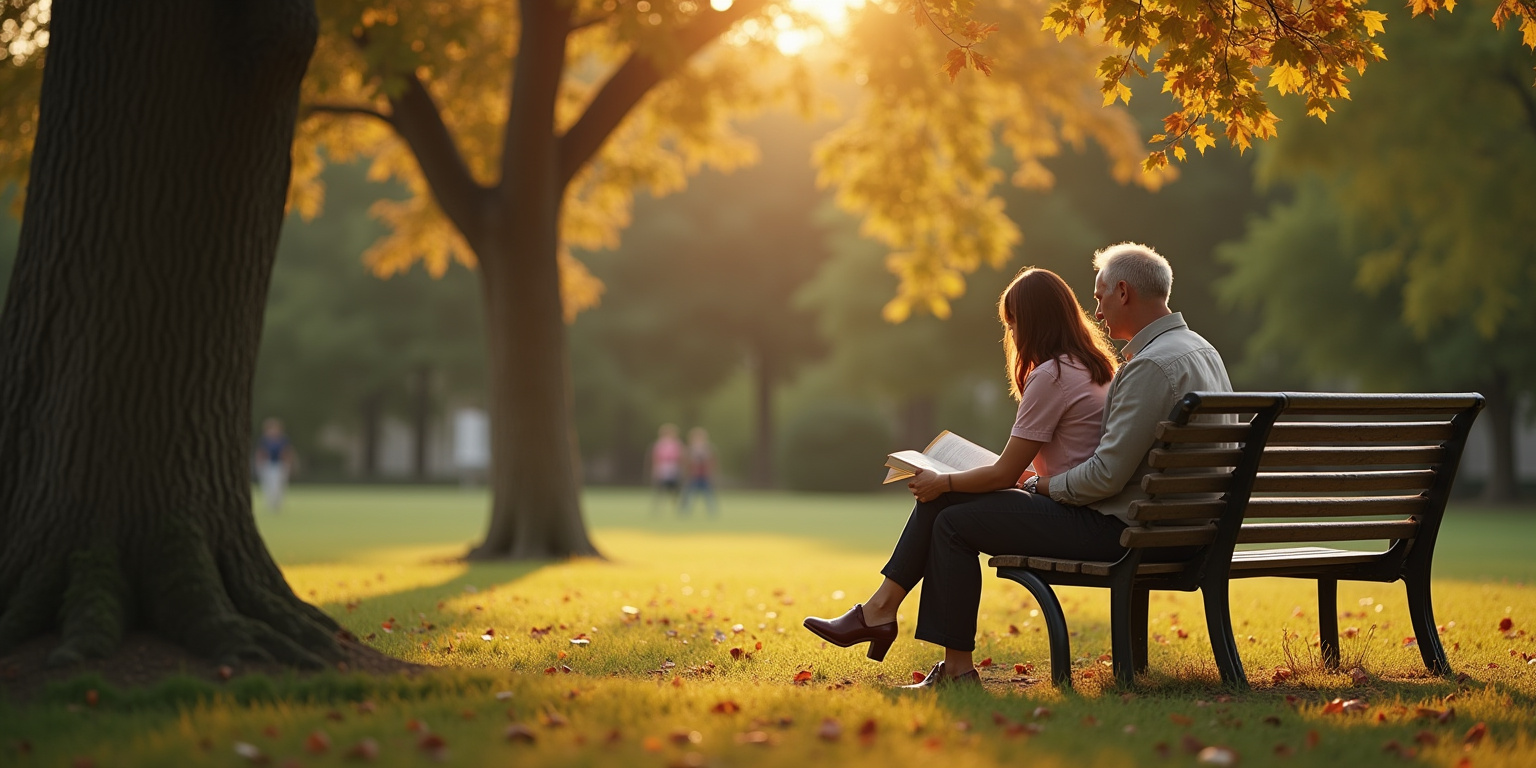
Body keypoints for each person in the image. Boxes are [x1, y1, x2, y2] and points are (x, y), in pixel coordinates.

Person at [805, 244, 1234, 688]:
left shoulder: (1144, 367)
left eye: (1102, 296)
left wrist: (1038, 487)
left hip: (1124, 532)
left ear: (1123, 292)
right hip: (1185, 530)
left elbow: (1103, 476)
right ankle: (884, 615)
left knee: (951, 518)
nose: (1099, 311)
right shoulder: (1198, 352)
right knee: (950, 505)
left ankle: (913, 639)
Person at [803, 266, 1119, 688]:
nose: (1012, 335)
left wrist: (945, 481)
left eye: (1013, 324)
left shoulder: (1052, 376)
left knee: (947, 511)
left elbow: (1006, 472)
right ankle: (903, 631)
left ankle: (885, 618)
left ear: (1033, 322)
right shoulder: (1091, 367)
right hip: (1088, 513)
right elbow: (1041, 466)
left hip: (1082, 521)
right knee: (948, 515)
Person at [255, 418, 295, 513]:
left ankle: (277, 505)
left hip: (280, 465)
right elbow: (260, 452)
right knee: (268, 485)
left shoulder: (283, 440)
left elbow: (287, 452)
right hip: (267, 464)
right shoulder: (264, 440)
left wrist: (288, 464)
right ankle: (269, 504)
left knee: (279, 485)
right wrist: (259, 464)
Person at [678, 426, 719, 517]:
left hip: (704, 476)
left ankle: (712, 511)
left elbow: (712, 462)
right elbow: (686, 462)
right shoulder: (690, 449)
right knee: (688, 494)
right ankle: (684, 511)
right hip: (693, 475)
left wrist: (711, 473)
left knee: (708, 494)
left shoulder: (708, 449)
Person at [648, 423, 684, 514]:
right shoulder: (659, 444)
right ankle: (658, 509)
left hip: (673, 468)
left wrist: (680, 469)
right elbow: (655, 458)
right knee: (660, 490)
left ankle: (676, 509)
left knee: (674, 490)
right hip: (663, 469)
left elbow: (681, 457)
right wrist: (655, 470)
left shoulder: (677, 444)